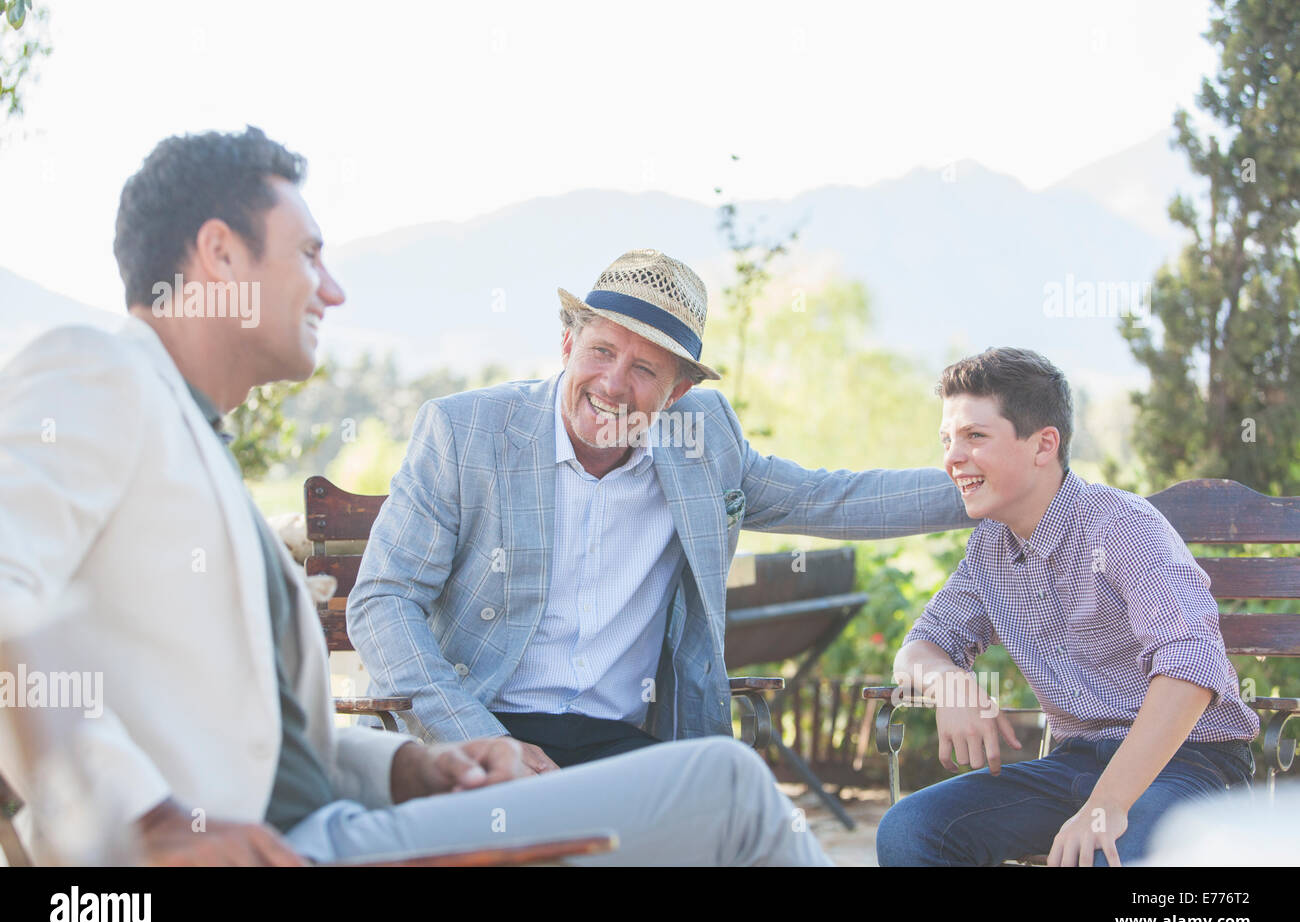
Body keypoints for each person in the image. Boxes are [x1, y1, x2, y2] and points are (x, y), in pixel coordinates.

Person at [0, 126, 830, 866]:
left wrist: (413, 765)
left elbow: (274, 749)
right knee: (728, 791)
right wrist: (148, 820)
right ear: (220, 256)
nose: (333, 289)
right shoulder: (95, 370)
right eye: (309, 255)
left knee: (700, 814)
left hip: (332, 819)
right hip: (277, 849)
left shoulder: (191, 444)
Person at [347, 249, 972, 770]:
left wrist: (988, 490)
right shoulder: (467, 432)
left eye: (644, 368)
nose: (614, 384)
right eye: (601, 352)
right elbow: (383, 599)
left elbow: (826, 498)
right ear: (567, 343)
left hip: (627, 747)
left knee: (741, 814)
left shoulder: (700, 443)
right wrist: (479, 738)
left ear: (678, 392)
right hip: (479, 722)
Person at [874, 347, 1259, 867]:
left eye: (974, 436)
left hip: (1190, 763)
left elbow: (1192, 667)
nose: (952, 458)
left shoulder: (1124, 527)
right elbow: (918, 648)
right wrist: (949, 681)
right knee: (911, 831)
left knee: (1105, 854)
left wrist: (1106, 805)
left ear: (1043, 445)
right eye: (947, 440)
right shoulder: (991, 546)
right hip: (1074, 764)